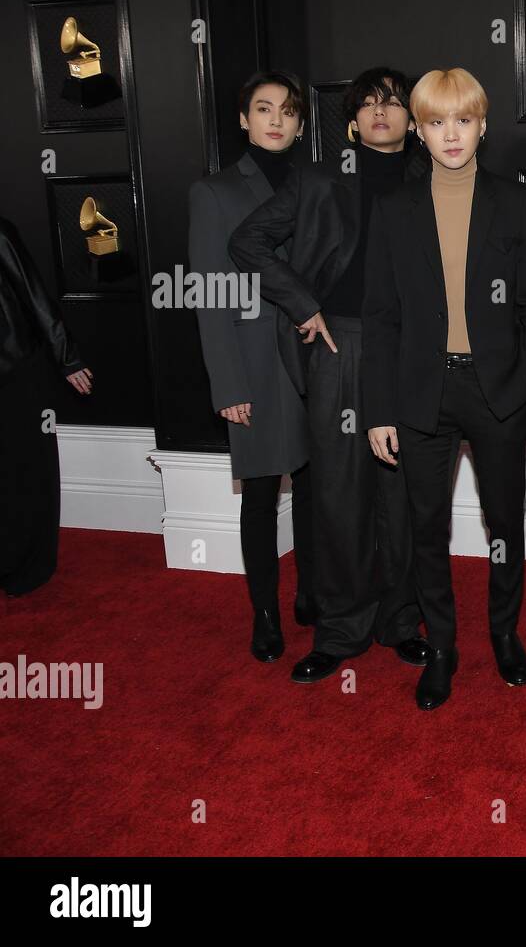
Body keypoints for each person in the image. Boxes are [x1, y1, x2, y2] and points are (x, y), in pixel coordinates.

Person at [363, 67, 526, 711]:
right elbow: (381, 316)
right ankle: (441, 647)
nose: (452, 134)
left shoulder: (515, 201)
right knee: (427, 526)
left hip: (497, 392)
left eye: (464, 120)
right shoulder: (392, 211)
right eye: (438, 121)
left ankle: (504, 634)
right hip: (419, 394)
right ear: (418, 130)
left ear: (482, 125)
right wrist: (379, 409)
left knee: (505, 522)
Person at [230, 67, 427, 683]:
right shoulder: (316, 179)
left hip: (408, 351)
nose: (379, 112)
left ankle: (400, 622)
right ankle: (341, 631)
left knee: (402, 497)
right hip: (339, 343)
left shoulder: (435, 177)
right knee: (340, 496)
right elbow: (248, 242)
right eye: (368, 104)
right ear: (352, 118)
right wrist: (303, 303)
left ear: (412, 119)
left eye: (392, 103)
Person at [188, 70, 314, 663]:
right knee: (261, 496)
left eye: (287, 111)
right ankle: (266, 614)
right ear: (244, 119)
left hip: (318, 356)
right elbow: (210, 295)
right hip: (255, 364)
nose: (275, 120)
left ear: (299, 122)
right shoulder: (213, 193)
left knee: (319, 490)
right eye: (263, 109)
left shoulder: (319, 183)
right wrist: (228, 385)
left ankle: (313, 595)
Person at [0, 217, 92, 596]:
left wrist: (67, 357)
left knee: (27, 470)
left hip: (16, 368)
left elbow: (32, 292)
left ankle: (29, 565)